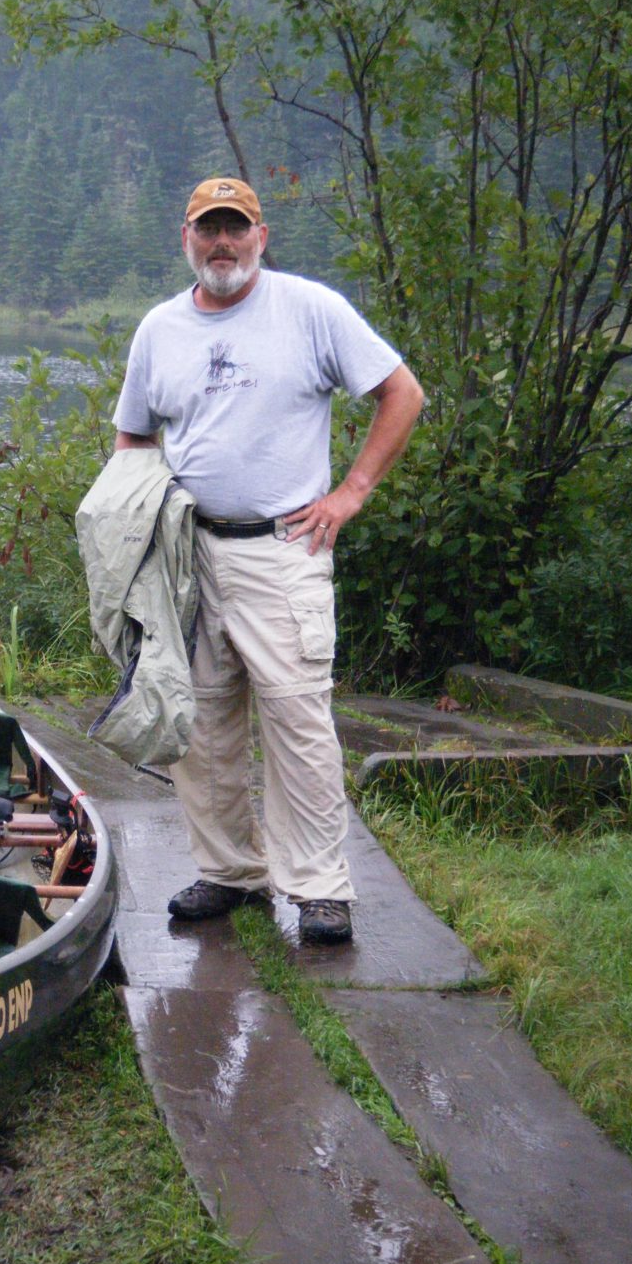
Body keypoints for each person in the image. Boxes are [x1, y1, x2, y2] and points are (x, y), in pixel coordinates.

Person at [111, 176, 424, 943]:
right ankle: (230, 872)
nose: (223, 243)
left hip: (285, 549)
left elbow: (402, 393)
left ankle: (319, 889)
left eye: (236, 228)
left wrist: (350, 492)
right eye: (208, 228)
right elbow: (133, 438)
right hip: (189, 555)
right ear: (185, 237)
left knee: (297, 720)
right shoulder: (159, 329)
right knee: (200, 726)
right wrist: (136, 535)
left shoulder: (310, 310)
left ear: (261, 236)